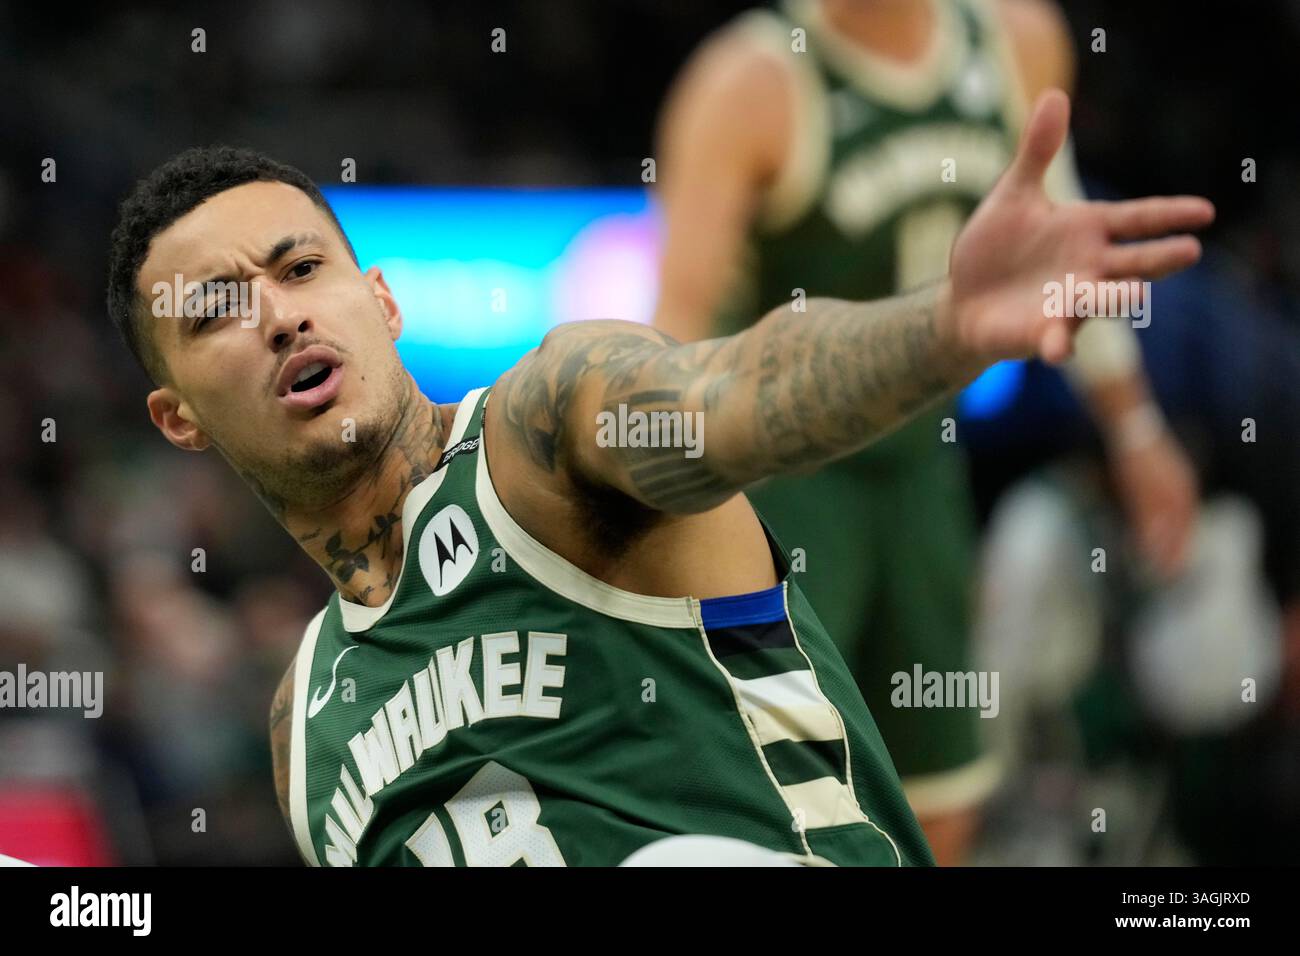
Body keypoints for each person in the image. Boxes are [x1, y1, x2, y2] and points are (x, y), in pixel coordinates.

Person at [103, 91, 1211, 865]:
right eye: (215, 310)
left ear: (382, 303)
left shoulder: (543, 426)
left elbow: (728, 390)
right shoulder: (306, 728)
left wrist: (940, 329)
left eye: (302, 267)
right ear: (178, 417)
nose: (280, 309)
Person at [651, 0, 1199, 863]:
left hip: (923, 481)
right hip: (783, 500)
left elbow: (1062, 245)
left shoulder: (1017, 38)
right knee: (773, 822)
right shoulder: (749, 82)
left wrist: (1134, 428)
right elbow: (669, 349)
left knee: (936, 812)